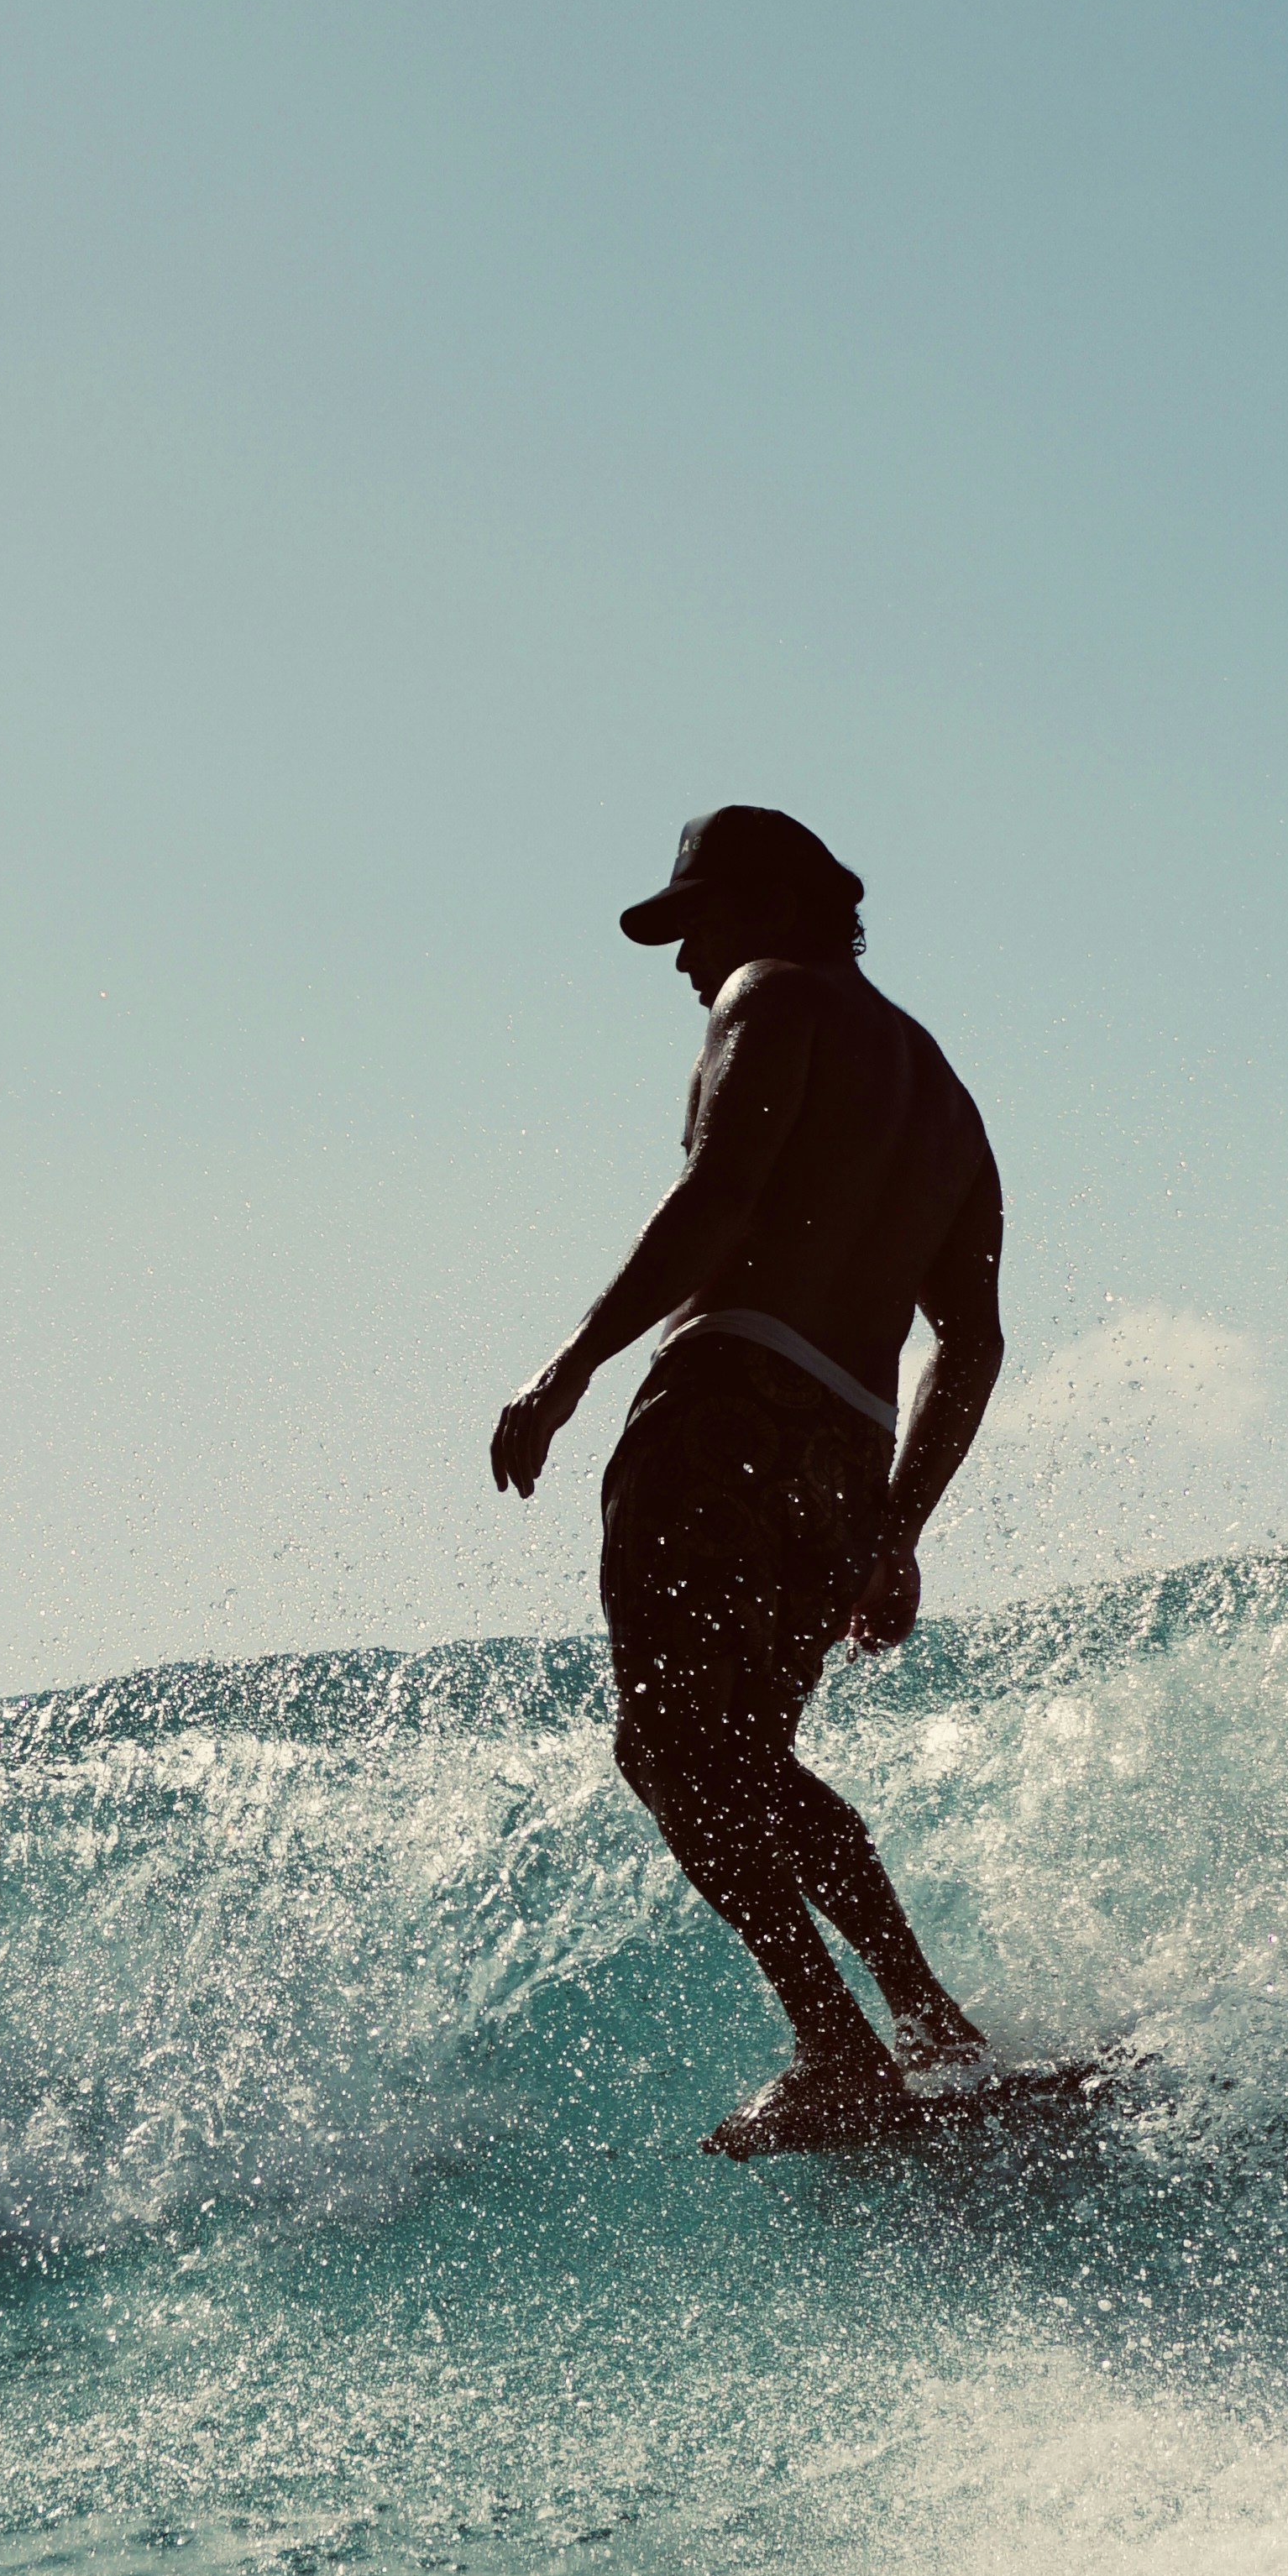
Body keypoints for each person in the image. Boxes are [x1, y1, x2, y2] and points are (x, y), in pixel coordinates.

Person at [490, 804, 1007, 2146]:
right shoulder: (944, 1093)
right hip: (847, 1449)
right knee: (748, 1757)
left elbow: (721, 1190)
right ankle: (926, 2022)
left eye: (695, 924)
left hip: (723, 1410)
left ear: (775, 909)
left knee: (668, 1749)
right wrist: (895, 1526)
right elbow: (973, 1340)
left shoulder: (767, 995)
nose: (682, 963)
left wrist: (571, 1365)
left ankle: (837, 2045)